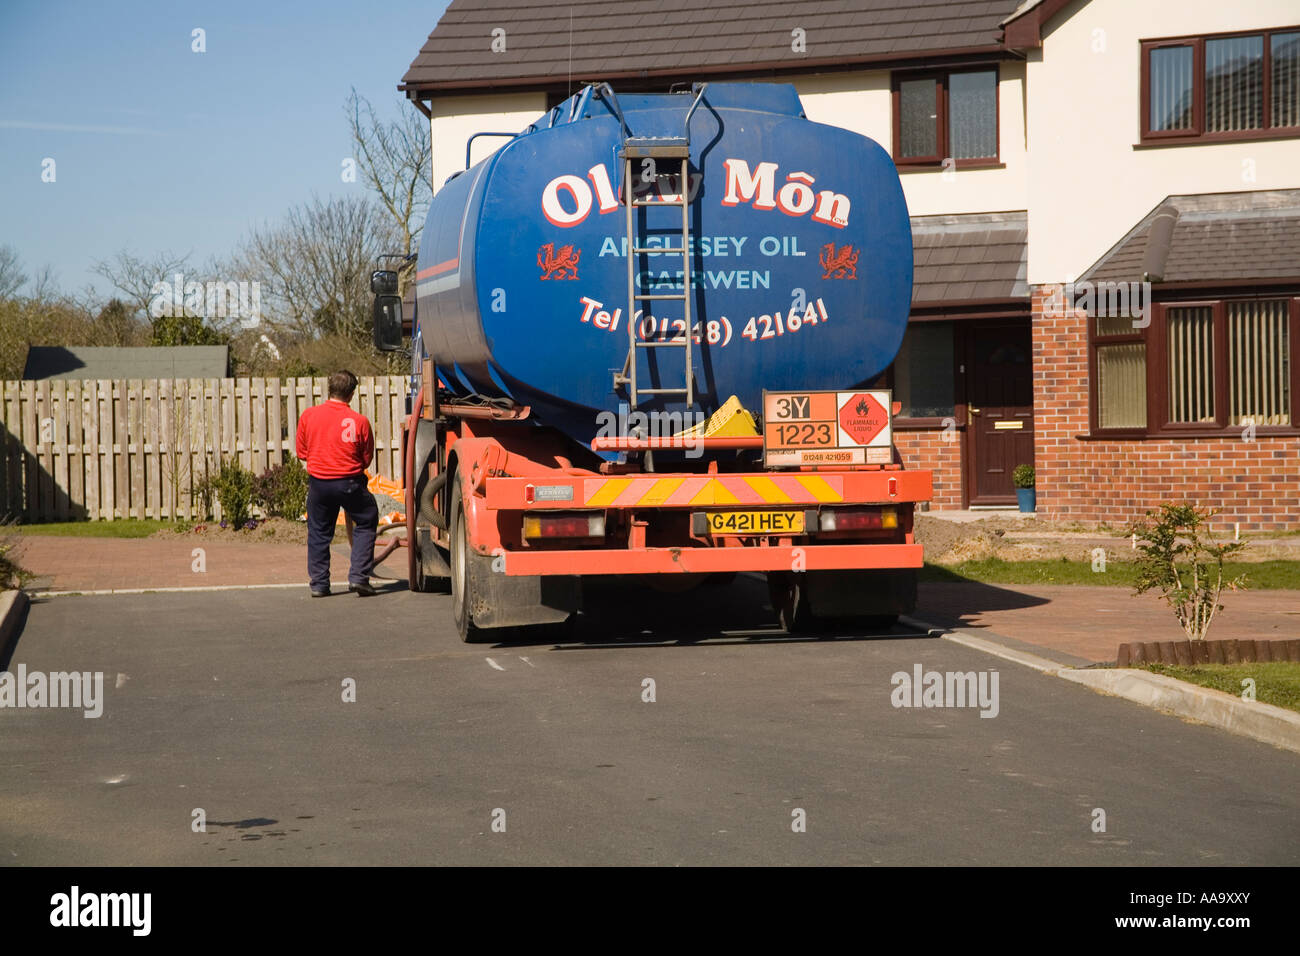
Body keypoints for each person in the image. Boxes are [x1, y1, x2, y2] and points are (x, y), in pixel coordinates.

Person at [295, 370, 379, 597]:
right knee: (367, 518)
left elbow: (302, 453)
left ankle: (320, 584)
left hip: (319, 484)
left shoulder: (308, 416)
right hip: (350, 483)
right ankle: (359, 577)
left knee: (319, 532)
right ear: (351, 394)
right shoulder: (359, 421)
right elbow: (366, 458)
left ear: (329, 389)